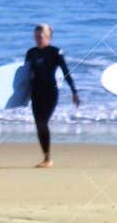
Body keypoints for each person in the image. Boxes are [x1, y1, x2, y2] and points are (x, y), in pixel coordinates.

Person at [24, 24, 79, 168]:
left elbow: (66, 72)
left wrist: (74, 91)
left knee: (43, 123)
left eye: (41, 36)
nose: (38, 38)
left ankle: (48, 158)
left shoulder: (55, 52)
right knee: (39, 125)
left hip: (50, 93)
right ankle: (46, 157)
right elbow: (25, 76)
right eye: (36, 36)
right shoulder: (31, 52)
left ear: (48, 36)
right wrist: (22, 95)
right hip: (36, 93)